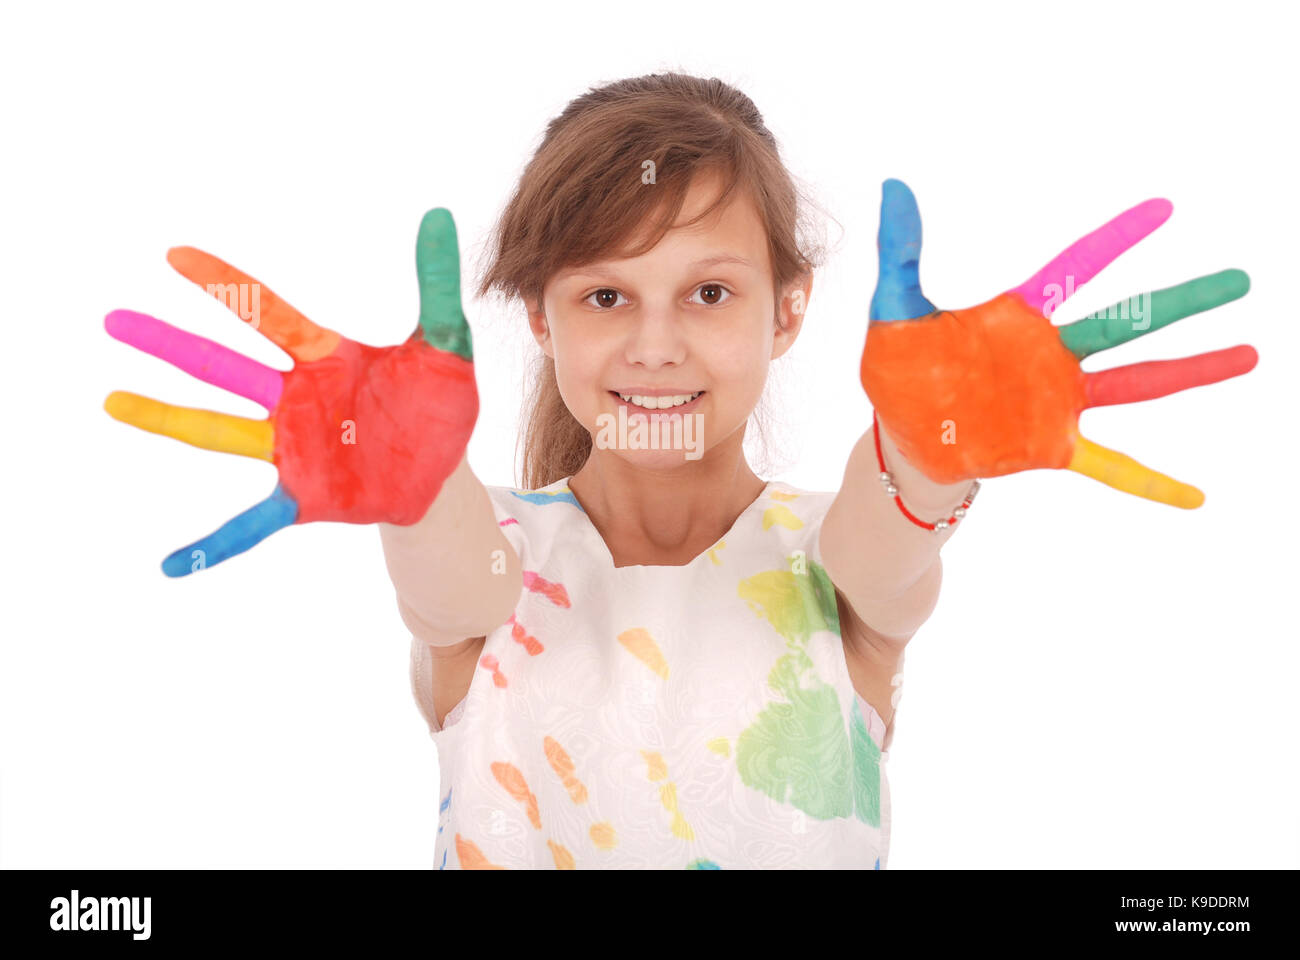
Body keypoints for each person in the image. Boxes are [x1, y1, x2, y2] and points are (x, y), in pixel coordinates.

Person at [103, 72, 1255, 870]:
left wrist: (923, 455)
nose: (654, 346)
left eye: (709, 293)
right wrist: (408, 481)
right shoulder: (495, 552)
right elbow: (453, 587)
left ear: (788, 311)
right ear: (542, 323)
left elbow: (883, 556)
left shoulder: (829, 560)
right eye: (606, 295)